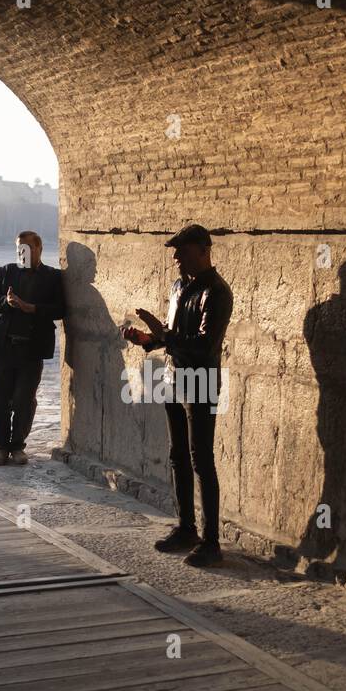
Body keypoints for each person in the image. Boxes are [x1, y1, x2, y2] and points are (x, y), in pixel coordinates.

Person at [123, 224, 232, 567]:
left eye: (182, 252)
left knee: (202, 460)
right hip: (172, 377)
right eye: (175, 252)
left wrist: (163, 335)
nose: (175, 258)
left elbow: (204, 346)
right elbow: (174, 336)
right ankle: (187, 528)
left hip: (200, 378)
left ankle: (212, 542)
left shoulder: (217, 292)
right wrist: (148, 340)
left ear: (203, 251)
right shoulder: (178, 287)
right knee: (178, 456)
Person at [0, 231, 65, 464]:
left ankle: (17, 446)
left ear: (39, 249)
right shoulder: (6, 272)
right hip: (2, 346)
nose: (22, 253)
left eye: (27, 248)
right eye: (19, 249)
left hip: (31, 349)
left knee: (23, 400)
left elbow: (60, 309)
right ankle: (0, 447)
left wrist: (33, 309)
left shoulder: (52, 277)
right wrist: (7, 303)